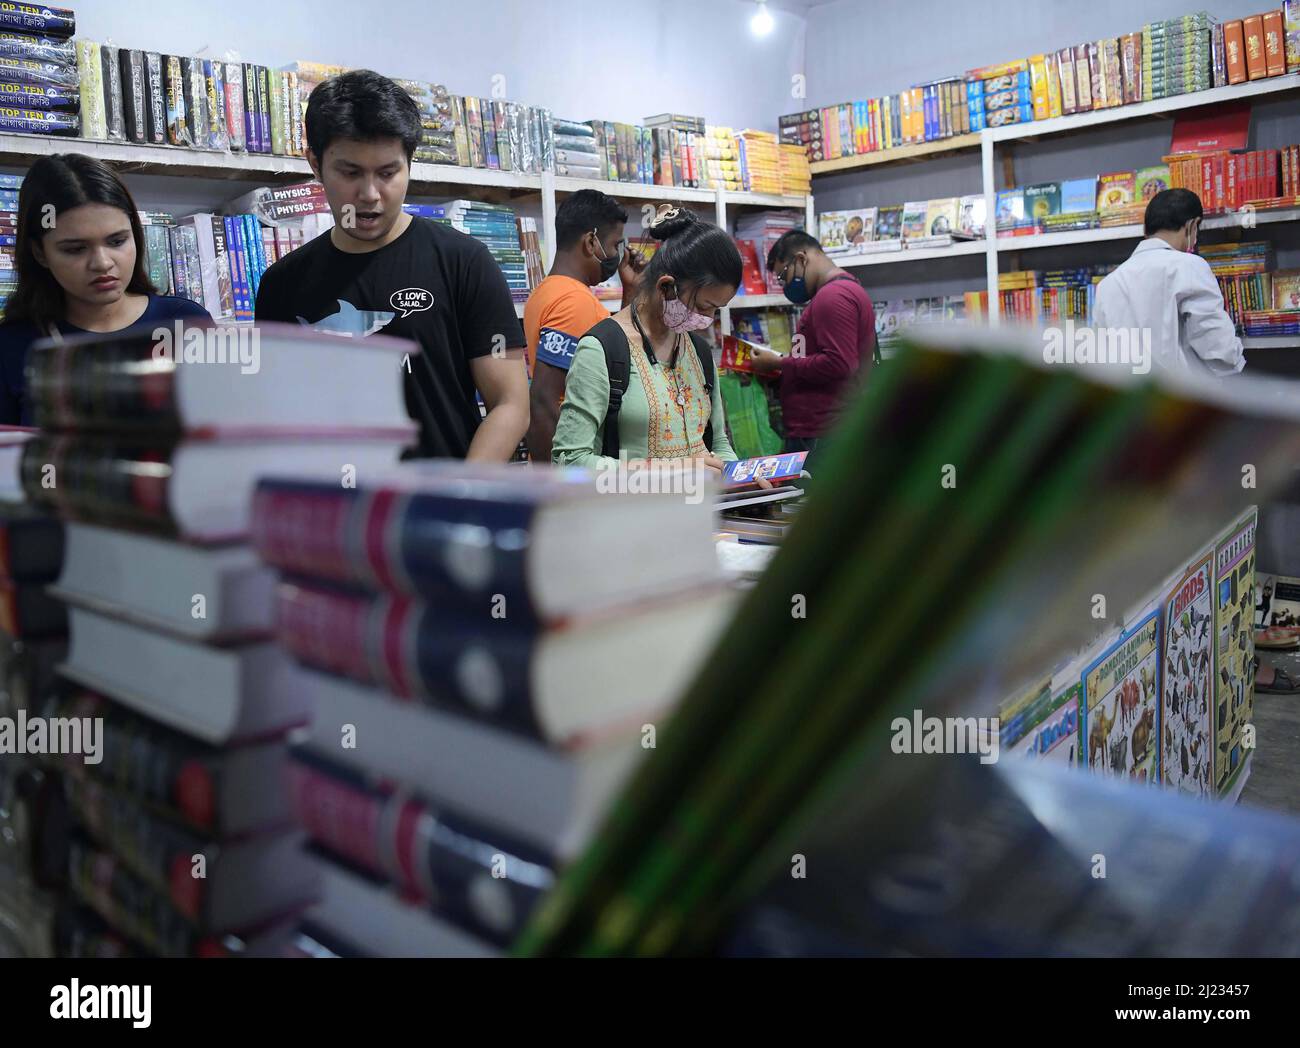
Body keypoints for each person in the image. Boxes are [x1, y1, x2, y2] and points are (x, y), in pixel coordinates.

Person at [254, 70, 528, 460]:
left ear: (409, 163)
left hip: (439, 508)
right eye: (350, 173)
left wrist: (459, 492)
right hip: (330, 508)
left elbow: (510, 403)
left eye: (387, 173)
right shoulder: (282, 284)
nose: (369, 195)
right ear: (315, 165)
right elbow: (276, 413)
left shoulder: (465, 262)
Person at [0, 153, 212, 425]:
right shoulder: (12, 346)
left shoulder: (185, 323)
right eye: (75, 249)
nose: (102, 263)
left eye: (117, 241)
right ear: (40, 253)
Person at [551, 205, 738, 474]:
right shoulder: (601, 350)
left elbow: (719, 444)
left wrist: (742, 478)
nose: (708, 319)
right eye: (703, 306)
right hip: (633, 513)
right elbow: (568, 461)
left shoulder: (698, 351)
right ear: (666, 286)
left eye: (716, 310)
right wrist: (672, 471)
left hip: (700, 512)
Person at [524, 189, 645, 462]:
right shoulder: (574, 301)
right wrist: (558, 485)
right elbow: (544, 399)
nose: (617, 255)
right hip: (573, 468)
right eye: (615, 245)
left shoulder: (546, 291)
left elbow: (616, 351)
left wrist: (631, 290)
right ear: (591, 242)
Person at [747, 229, 874, 470]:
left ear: (801, 259)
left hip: (823, 435)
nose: (785, 286)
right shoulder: (845, 290)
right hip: (824, 430)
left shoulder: (833, 297)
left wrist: (779, 363)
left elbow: (839, 363)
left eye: (783, 276)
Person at [1092, 188, 1245, 376]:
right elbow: (1217, 347)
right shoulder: (1188, 266)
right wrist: (1236, 357)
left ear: (1145, 230)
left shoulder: (1107, 284)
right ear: (1192, 226)